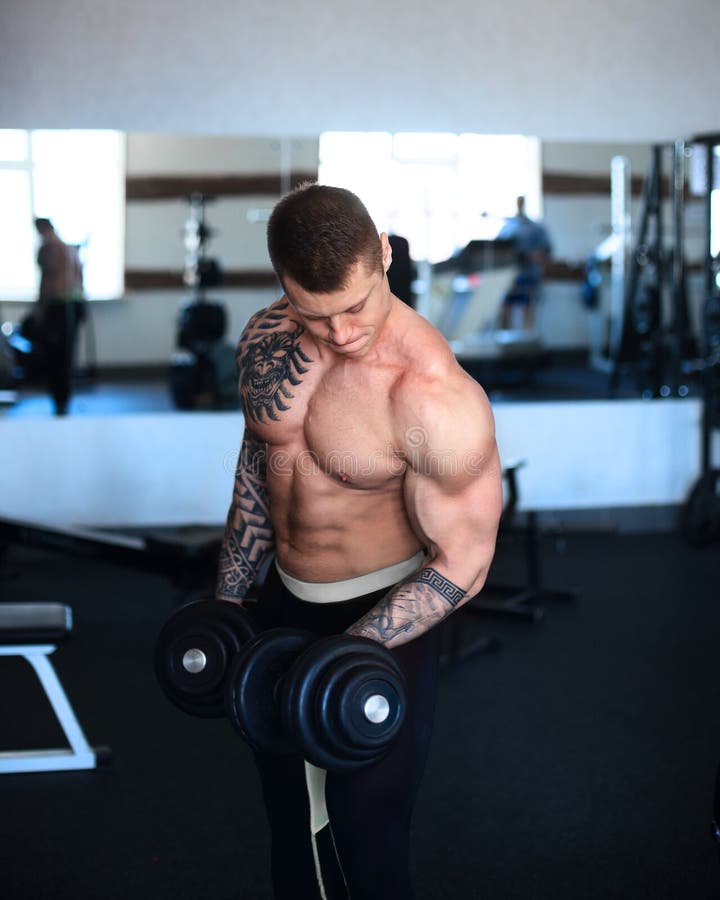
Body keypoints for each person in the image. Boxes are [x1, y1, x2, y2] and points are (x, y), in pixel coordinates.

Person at [216, 183, 503, 900]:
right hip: (282, 604)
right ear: (282, 283)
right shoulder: (264, 339)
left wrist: (355, 648)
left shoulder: (431, 394)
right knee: (290, 821)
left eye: (355, 306)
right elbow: (259, 462)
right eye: (316, 315)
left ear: (383, 255)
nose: (341, 333)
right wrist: (228, 595)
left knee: (365, 828)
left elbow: (464, 563)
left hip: (385, 617)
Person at [33, 217, 86, 415]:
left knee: (56, 356)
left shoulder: (50, 248)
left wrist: (40, 308)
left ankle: (60, 399)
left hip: (58, 306)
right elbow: (79, 278)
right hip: (74, 304)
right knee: (66, 354)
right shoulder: (69, 248)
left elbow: (48, 279)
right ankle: (63, 398)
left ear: (43, 228)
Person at [497, 195, 552, 332]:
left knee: (527, 306)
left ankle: (528, 339)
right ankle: (503, 341)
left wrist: (535, 260)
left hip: (528, 275)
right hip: (508, 276)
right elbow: (498, 251)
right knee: (505, 307)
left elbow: (544, 253)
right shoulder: (506, 228)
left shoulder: (535, 228)